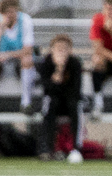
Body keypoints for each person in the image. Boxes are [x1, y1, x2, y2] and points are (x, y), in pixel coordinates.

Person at [0, 0, 37, 113]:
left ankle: (26, 103)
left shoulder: (25, 20)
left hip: (17, 59)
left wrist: (8, 55)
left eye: (13, 11)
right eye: (7, 12)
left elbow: (28, 50)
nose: (10, 15)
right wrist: (0, 32)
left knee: (27, 60)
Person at [34, 33, 84, 161]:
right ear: (52, 49)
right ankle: (46, 149)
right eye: (58, 48)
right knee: (50, 105)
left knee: (75, 106)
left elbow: (75, 90)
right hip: (53, 99)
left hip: (69, 100)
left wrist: (61, 75)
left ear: (70, 50)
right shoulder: (46, 63)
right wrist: (58, 70)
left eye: (65, 48)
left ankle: (75, 148)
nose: (61, 51)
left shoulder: (75, 64)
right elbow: (47, 89)